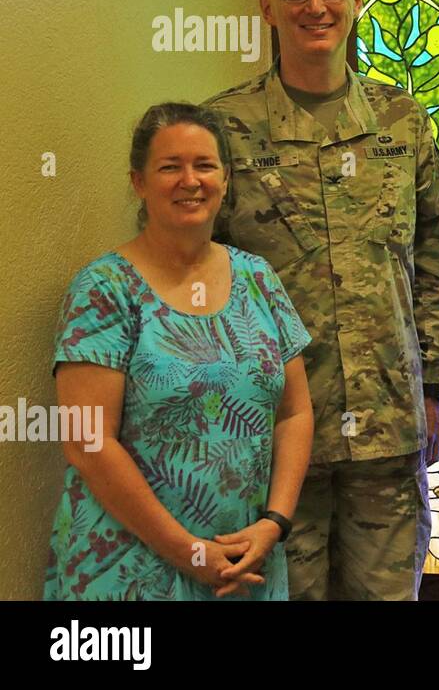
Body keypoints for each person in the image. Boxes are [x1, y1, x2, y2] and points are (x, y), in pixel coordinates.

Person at [204, 0, 439, 600]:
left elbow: (435, 260)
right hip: (273, 433)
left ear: (355, 3)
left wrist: (435, 385)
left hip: (387, 422)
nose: (314, 7)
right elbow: (187, 276)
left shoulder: (402, 122)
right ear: (267, 8)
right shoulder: (223, 131)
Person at [45, 103, 314, 600]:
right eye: (170, 167)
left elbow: (294, 412)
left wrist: (275, 522)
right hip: (130, 569)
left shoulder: (258, 278)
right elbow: (87, 443)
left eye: (204, 165)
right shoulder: (104, 290)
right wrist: (189, 552)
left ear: (225, 179)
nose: (190, 180)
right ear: (139, 183)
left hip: (244, 566)